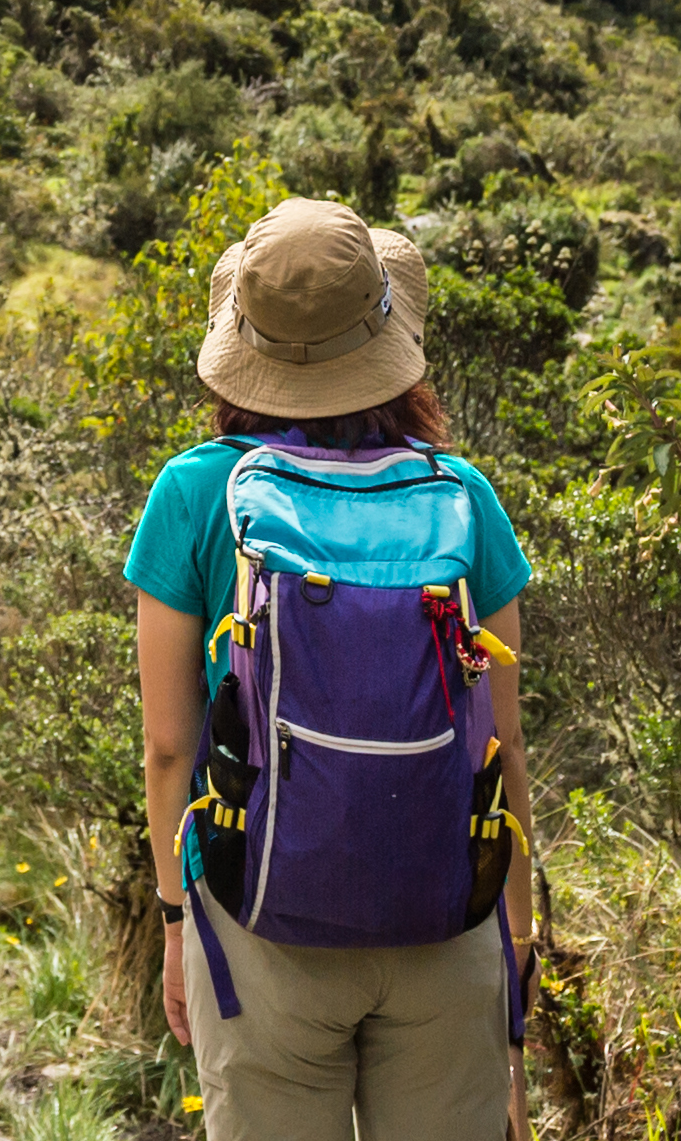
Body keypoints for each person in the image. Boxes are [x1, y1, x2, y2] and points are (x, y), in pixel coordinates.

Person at [129, 197, 538, 1141]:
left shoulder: (195, 491)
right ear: (388, 334)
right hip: (447, 910)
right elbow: (504, 743)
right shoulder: (461, 495)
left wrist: (174, 919)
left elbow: (166, 747)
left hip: (255, 913)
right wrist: (513, 948)